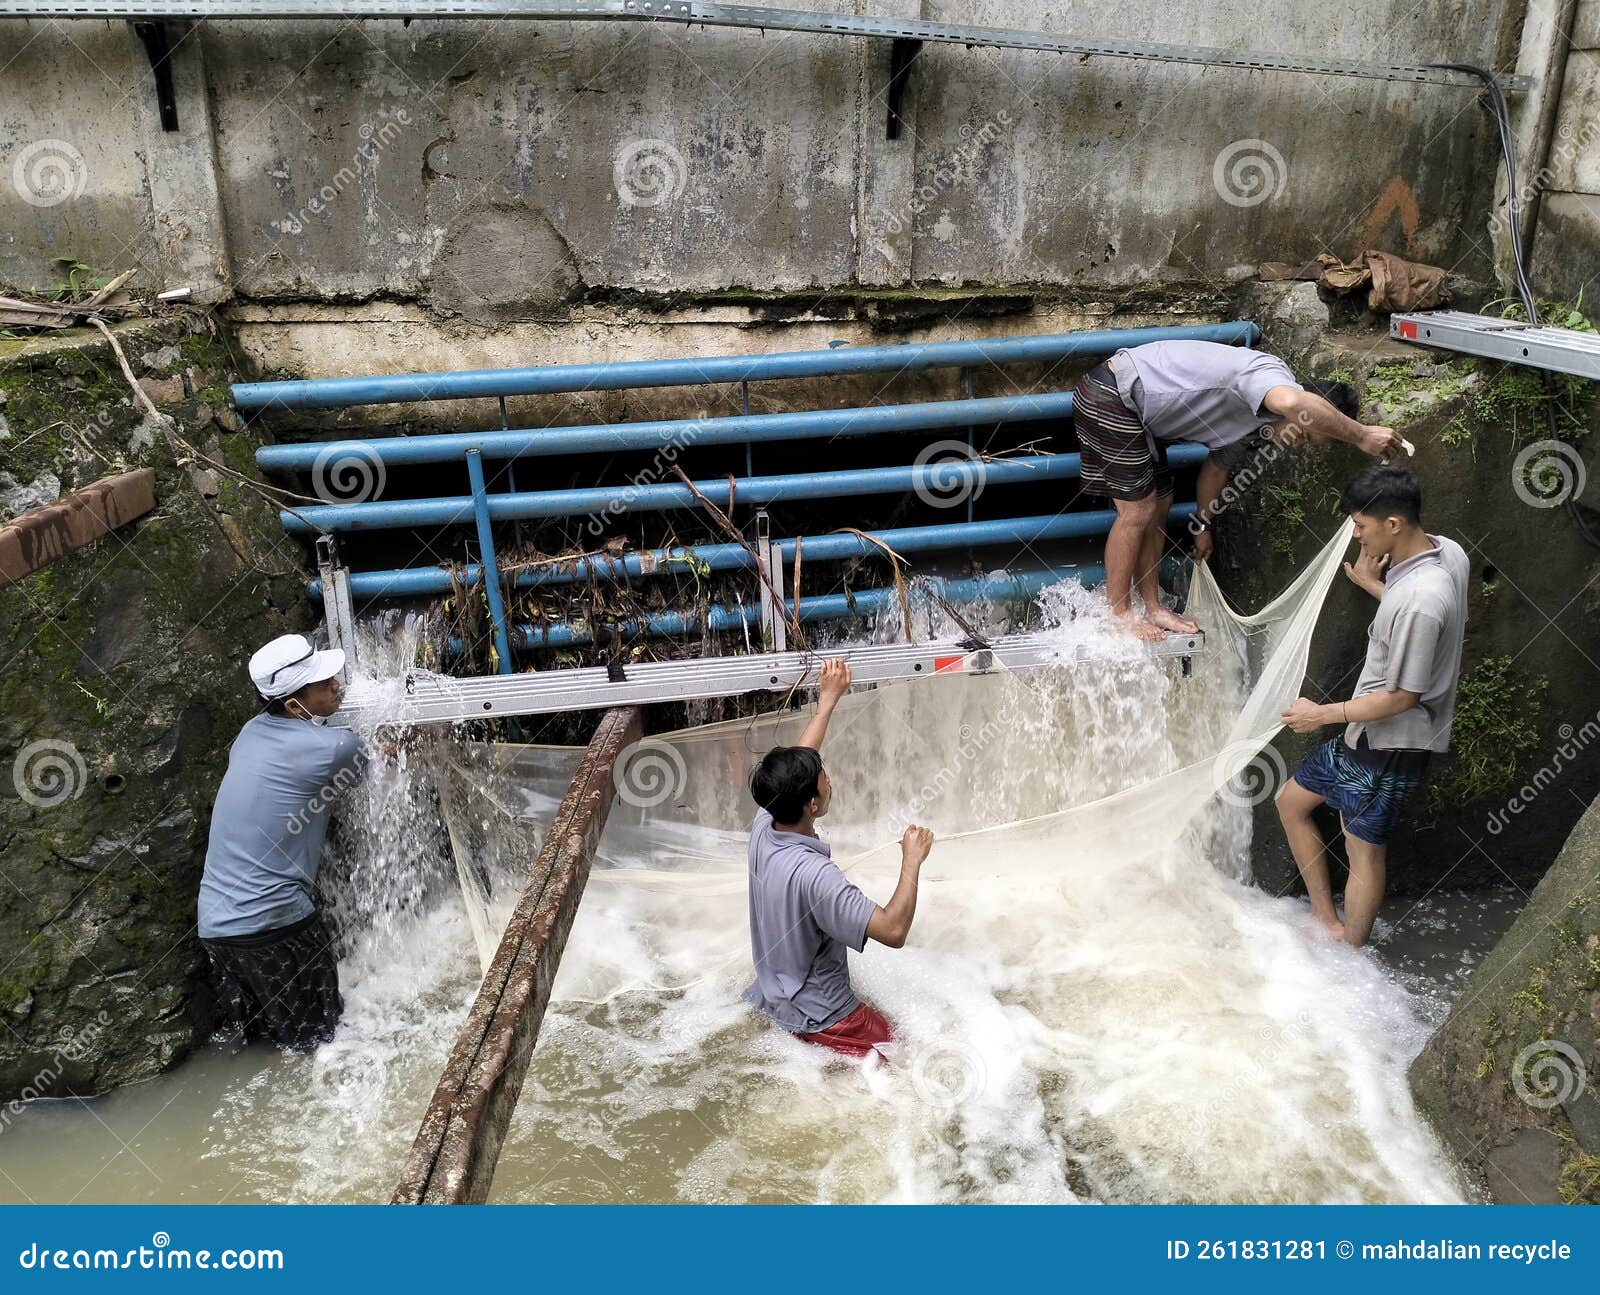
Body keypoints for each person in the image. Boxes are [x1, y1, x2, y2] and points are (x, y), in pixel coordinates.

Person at [1070, 339, 1405, 641]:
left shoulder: (1253, 427)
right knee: (1138, 509)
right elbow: (1290, 401)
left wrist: (1203, 526)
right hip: (1112, 395)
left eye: (1307, 441)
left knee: (1161, 502)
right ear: (1309, 406)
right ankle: (1120, 614)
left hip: (1139, 415)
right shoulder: (1269, 379)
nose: (1298, 441)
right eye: (1304, 431)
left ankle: (1153, 605)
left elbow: (1216, 471)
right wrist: (1360, 435)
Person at [1275, 465, 1468, 947]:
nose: (1357, 534)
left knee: (1364, 852)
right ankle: (1324, 916)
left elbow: (1403, 696)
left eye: (1361, 526)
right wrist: (1372, 585)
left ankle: (1351, 949)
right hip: (1363, 733)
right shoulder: (1449, 553)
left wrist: (1321, 713)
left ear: (1394, 524)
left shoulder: (1422, 599)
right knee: (1290, 801)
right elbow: (1418, 620)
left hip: (1391, 739)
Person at [743, 658, 935, 1062]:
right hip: (824, 1017)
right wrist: (912, 861)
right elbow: (894, 930)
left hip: (773, 997)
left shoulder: (766, 823)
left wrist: (828, 699)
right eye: (824, 776)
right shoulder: (818, 878)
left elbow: (801, 757)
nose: (829, 778)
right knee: (907, 1059)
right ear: (813, 803)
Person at [197, 633, 367, 1049]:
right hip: (273, 928)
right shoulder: (333, 746)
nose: (337, 685)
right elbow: (375, 762)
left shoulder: (250, 733)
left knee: (270, 1048)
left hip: (217, 928)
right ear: (294, 704)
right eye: (325, 683)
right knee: (326, 1045)